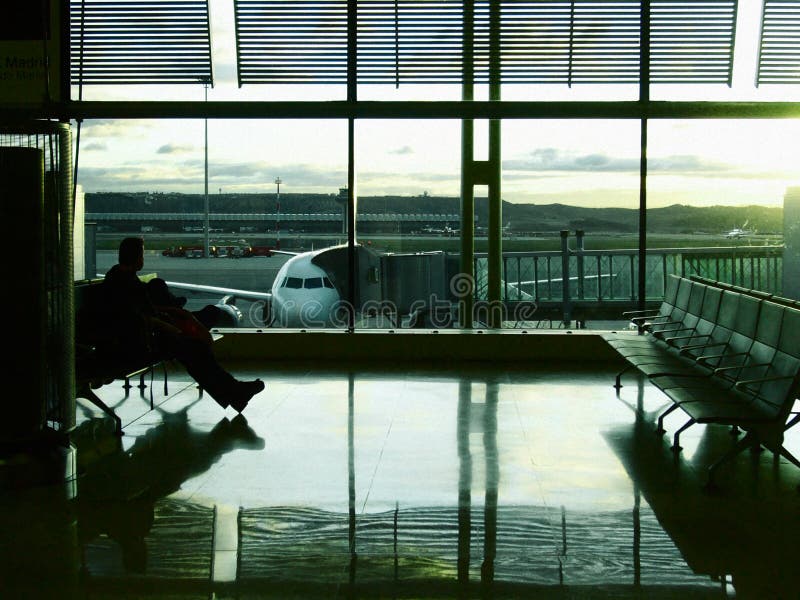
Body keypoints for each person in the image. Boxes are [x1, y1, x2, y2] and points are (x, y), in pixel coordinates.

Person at [101, 237, 264, 412]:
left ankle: (235, 394)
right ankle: (235, 393)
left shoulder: (122, 277)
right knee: (195, 348)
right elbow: (140, 318)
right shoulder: (122, 283)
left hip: (154, 329)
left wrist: (179, 317)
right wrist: (177, 327)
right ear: (135, 257)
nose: (143, 259)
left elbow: (145, 311)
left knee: (202, 323)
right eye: (141, 254)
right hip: (144, 339)